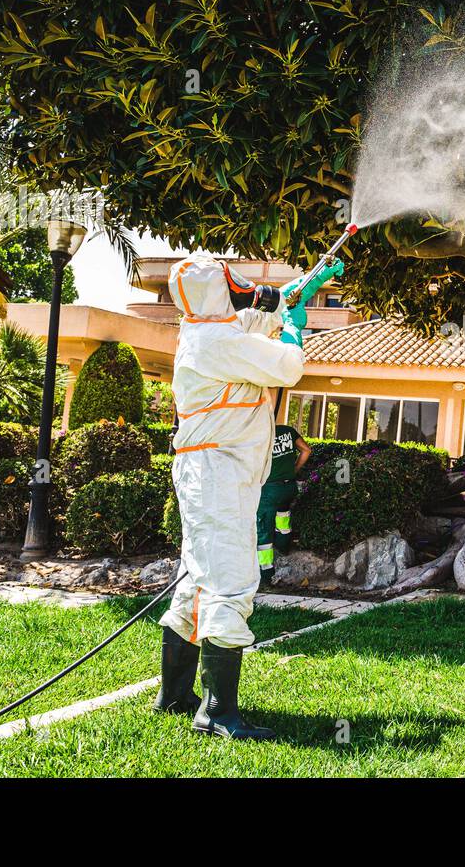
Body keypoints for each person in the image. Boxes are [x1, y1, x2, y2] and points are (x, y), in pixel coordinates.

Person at [154, 253, 341, 740]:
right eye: (228, 283)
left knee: (200, 580)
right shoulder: (217, 341)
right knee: (232, 581)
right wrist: (295, 330)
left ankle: (175, 694)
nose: (238, 287)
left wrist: (301, 288)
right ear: (217, 291)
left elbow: (261, 315)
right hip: (218, 475)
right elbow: (287, 365)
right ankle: (217, 714)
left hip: (213, 471)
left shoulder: (209, 328)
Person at [257, 420, 311, 587]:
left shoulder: (261, 434)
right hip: (289, 486)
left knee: (264, 531)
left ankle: (266, 574)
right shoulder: (287, 431)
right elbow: (306, 450)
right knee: (283, 516)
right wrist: (294, 470)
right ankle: (283, 547)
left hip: (270, 489)